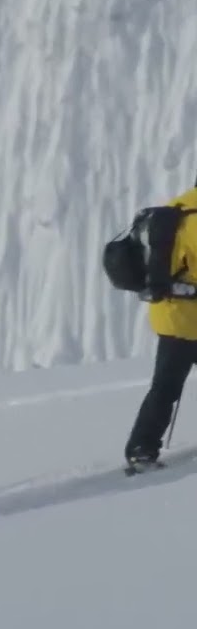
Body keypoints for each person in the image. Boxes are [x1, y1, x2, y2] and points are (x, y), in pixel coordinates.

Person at [124, 185, 197, 470]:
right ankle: (141, 448)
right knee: (166, 387)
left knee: (165, 387)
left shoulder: (177, 207)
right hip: (186, 317)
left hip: (168, 315)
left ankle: (142, 447)